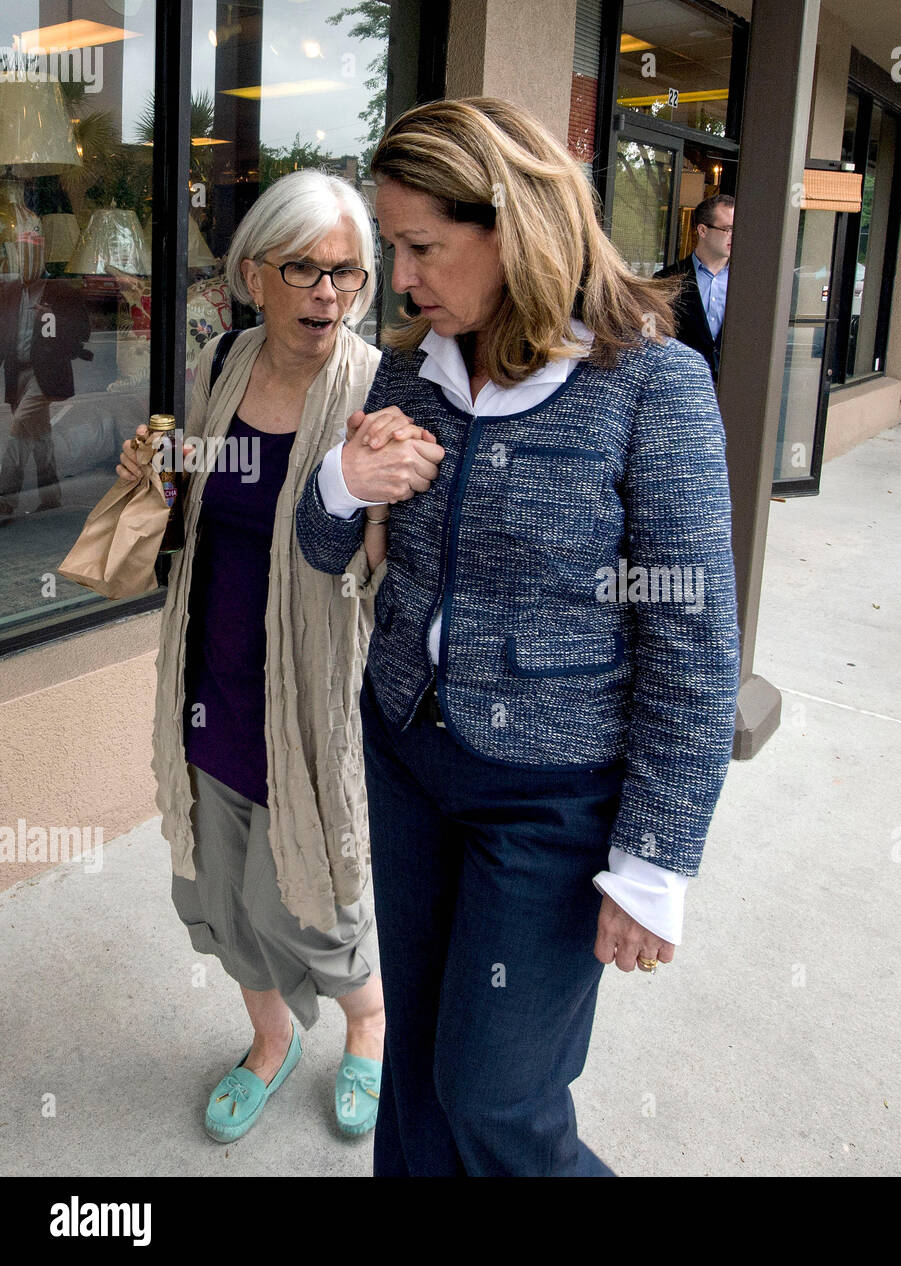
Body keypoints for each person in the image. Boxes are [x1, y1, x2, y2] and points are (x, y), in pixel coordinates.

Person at [295, 97, 740, 1177]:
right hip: (407, 759)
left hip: (550, 795)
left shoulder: (650, 385)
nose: (398, 280)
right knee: (417, 1071)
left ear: (513, 228)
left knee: (493, 1094)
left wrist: (653, 859)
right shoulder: (412, 371)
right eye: (393, 248)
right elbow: (319, 550)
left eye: (421, 248)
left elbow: (692, 637)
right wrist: (342, 485)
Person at [120, 170, 434, 1144]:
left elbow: (401, 575)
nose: (328, 295)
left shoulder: (382, 390)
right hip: (211, 686)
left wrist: (376, 500)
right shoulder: (221, 365)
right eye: (305, 270)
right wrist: (155, 473)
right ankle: (268, 1042)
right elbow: (202, 504)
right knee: (221, 895)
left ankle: (370, 1028)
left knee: (315, 898)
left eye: (349, 273)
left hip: (315, 700)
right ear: (255, 274)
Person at [0, 267, 90, 518]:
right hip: (18, 372)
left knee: (19, 427)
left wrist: (53, 318)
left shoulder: (59, 290)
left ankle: (5, 499)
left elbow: (81, 330)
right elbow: (4, 332)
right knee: (39, 436)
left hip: (46, 373)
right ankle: (51, 498)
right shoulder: (12, 290)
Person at [653, 192, 733, 380]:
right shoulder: (666, 280)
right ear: (703, 230)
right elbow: (655, 338)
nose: (733, 236)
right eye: (728, 229)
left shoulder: (748, 282)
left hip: (734, 389)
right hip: (681, 383)